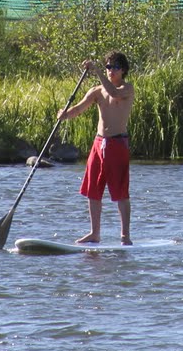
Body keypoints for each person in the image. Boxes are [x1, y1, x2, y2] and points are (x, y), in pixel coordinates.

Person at [57, 51, 136, 244]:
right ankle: (95, 233)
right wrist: (65, 115)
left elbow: (114, 93)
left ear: (123, 70)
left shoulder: (127, 88)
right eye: (108, 67)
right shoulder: (96, 91)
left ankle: (125, 236)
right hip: (99, 143)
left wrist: (98, 71)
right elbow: (79, 109)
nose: (111, 71)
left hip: (117, 144)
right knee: (93, 189)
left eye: (115, 67)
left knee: (120, 192)